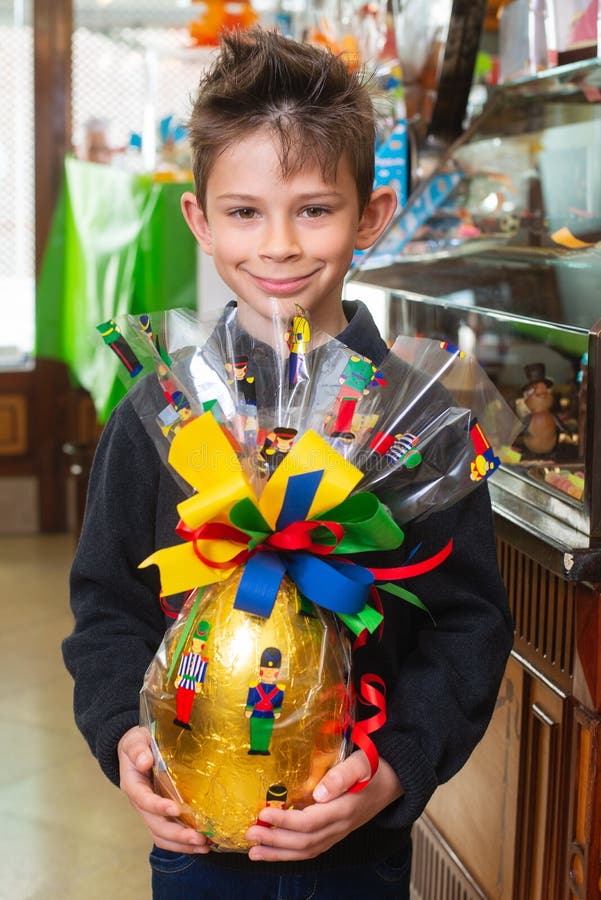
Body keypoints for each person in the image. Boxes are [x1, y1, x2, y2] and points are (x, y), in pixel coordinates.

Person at [63, 27, 513, 900]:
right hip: (192, 838)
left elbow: (467, 625)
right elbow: (107, 604)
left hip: (356, 842)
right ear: (198, 220)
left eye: (314, 208)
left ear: (370, 216)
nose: (277, 246)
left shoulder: (413, 423)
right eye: (243, 211)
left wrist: (392, 774)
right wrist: (122, 728)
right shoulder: (161, 412)